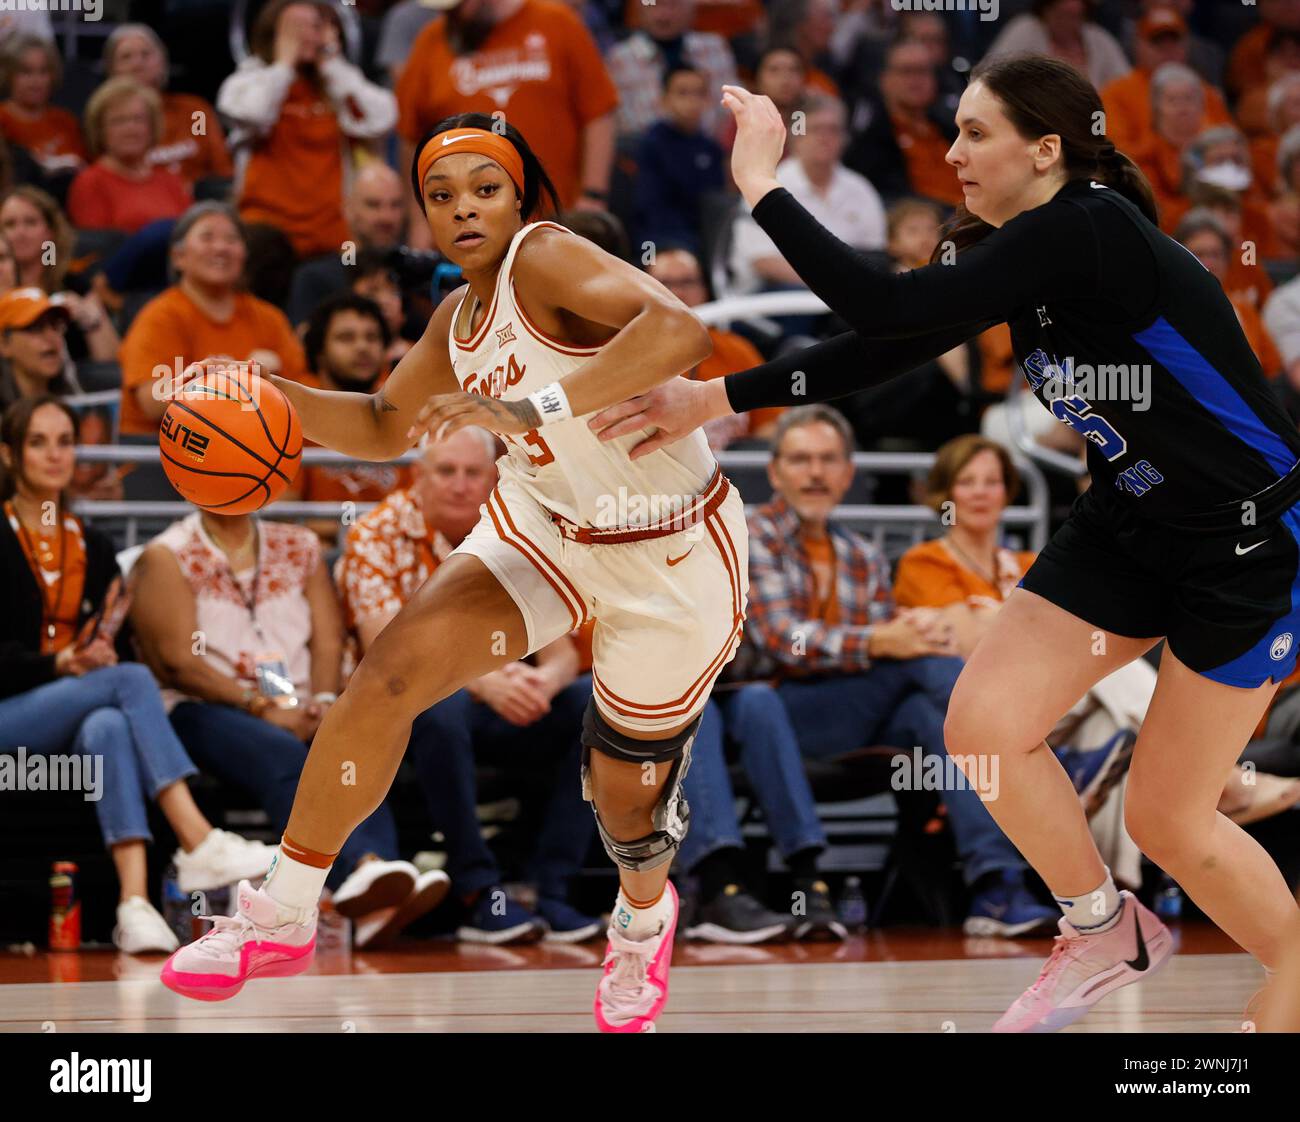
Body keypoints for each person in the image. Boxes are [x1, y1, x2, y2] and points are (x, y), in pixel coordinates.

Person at [589, 58, 1300, 1033]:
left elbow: (882, 308)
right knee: (980, 727)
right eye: (954, 130)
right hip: (1129, 523)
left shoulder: (1086, 229)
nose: (953, 153)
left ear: (1044, 149)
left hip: (1247, 543)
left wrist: (761, 184)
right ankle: (1099, 925)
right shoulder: (1025, 246)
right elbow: (890, 344)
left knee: (1167, 819)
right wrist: (714, 399)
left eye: (975, 134)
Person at [161, 113, 749, 1036]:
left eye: (484, 189)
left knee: (628, 799)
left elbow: (677, 333)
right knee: (386, 678)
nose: (462, 209)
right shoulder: (457, 318)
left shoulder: (545, 258)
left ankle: (640, 921)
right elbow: (388, 425)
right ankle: (280, 910)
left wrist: (527, 405)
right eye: (441, 196)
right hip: (544, 529)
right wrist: (271, 399)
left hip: (668, 550)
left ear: (519, 197)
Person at [0, 396, 274, 953]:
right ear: (8, 454)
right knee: (126, 683)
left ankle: (132, 904)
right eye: (37, 442)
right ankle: (195, 842)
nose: (55, 454)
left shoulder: (93, 545)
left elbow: (114, 643)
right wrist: (59, 664)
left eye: (64, 441)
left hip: (73, 709)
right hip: (10, 710)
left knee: (108, 722)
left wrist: (96, 652)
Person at [128, 497, 446, 950]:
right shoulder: (167, 554)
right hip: (206, 709)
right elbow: (178, 662)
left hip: (295, 699)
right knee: (283, 752)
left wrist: (319, 701)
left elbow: (327, 637)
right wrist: (261, 706)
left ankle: (375, 891)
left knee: (357, 740)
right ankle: (361, 870)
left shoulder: (299, 545)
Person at [336, 427, 600, 943]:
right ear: (418, 476)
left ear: (492, 479)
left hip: (496, 701)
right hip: (398, 714)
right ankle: (479, 891)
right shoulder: (375, 532)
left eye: (472, 473)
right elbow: (390, 650)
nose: (459, 485)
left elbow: (564, 654)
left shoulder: (517, 532)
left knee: (592, 705)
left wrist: (543, 683)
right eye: (445, 471)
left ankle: (554, 891)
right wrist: (485, 683)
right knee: (440, 704)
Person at [395, 0, 618, 240]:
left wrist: (593, 196)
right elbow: (413, 136)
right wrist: (420, 221)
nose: (449, 13)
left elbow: (599, 113)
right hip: (468, 232)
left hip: (557, 224)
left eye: (459, 5)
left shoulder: (557, 22)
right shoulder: (431, 41)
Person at [218, 0, 398, 262]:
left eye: (314, 27)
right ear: (274, 32)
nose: (304, 35)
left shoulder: (336, 85)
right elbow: (251, 113)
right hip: (264, 234)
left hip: (332, 234)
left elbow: (382, 118)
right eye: (294, 27)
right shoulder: (248, 80)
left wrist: (333, 64)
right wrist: (284, 65)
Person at [116, 202, 307, 439]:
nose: (220, 248)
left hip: (252, 446)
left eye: (231, 239)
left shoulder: (269, 318)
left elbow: (302, 392)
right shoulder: (160, 317)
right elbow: (154, 401)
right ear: (178, 257)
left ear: (244, 254)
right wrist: (235, 382)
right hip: (163, 454)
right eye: (207, 237)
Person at [103, 23, 233, 190]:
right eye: (126, 57)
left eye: (146, 54)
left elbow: (221, 170)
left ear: (162, 62)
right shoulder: (106, 121)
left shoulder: (195, 114)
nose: (137, 64)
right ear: (111, 70)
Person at [67, 78, 192, 235]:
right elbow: (96, 251)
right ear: (100, 130)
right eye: (119, 121)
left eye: (138, 119)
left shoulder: (170, 180)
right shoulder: (90, 183)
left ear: (152, 127)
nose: (130, 129)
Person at [633, 66, 725, 258]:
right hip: (659, 237)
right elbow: (650, 208)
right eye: (682, 93)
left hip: (705, 236)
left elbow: (716, 204)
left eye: (699, 93)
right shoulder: (652, 145)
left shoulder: (712, 148)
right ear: (664, 100)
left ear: (708, 100)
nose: (692, 101)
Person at [0, 34, 85, 179]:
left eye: (43, 71)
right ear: (9, 75)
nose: (36, 81)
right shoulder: (3, 120)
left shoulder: (66, 121)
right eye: (26, 72)